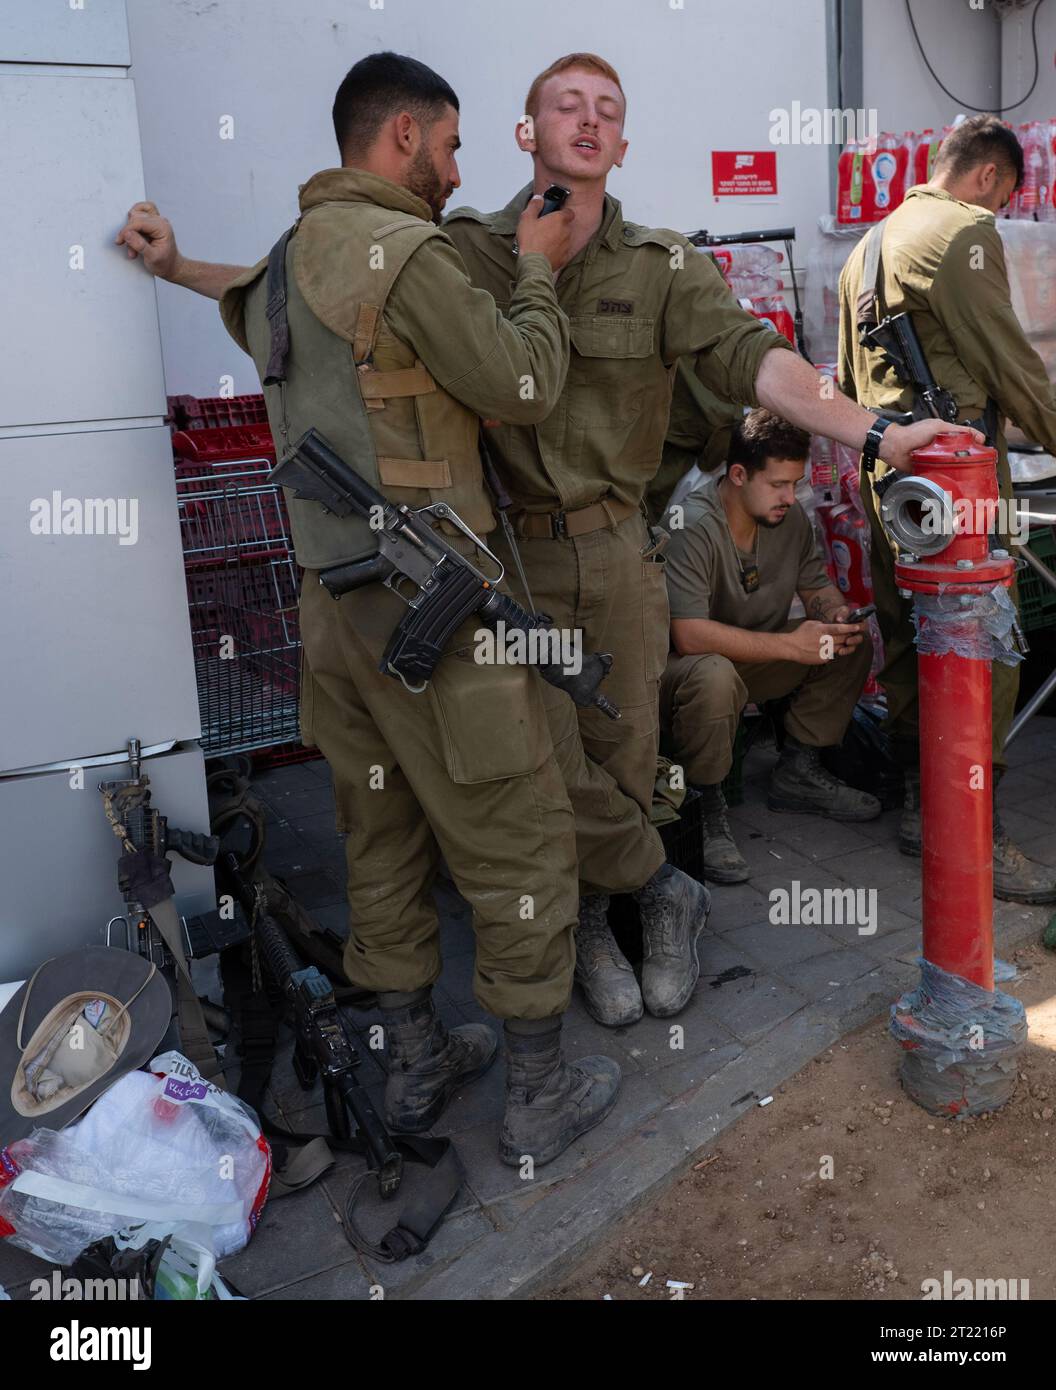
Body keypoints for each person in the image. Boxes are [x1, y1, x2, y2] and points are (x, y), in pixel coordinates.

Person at [120, 51, 967, 1030]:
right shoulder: (466, 246)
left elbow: (758, 360)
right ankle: (587, 933)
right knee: (536, 777)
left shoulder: (664, 265)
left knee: (623, 755)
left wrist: (877, 431)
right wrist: (179, 267)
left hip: (614, 555)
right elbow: (307, 292)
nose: (590, 119)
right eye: (566, 103)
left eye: (609, 107)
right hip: (496, 564)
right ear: (526, 134)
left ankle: (654, 911)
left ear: (624, 138)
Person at [120, 52, 622, 1169]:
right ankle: (537, 1098)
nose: (455, 169)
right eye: (447, 146)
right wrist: (536, 270)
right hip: (440, 620)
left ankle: (412, 1060)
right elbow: (525, 384)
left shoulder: (300, 257)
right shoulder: (411, 252)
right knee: (521, 839)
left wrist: (167, 266)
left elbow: (245, 302)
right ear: (402, 135)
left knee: (381, 839)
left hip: (335, 628)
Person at [838, 113, 1056, 904]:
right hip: (958, 478)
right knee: (983, 646)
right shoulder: (963, 231)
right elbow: (1012, 363)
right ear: (990, 179)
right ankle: (971, 827)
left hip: (890, 477)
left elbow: (847, 384)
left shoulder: (866, 248)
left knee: (907, 635)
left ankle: (915, 802)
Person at [659, 410, 878, 883]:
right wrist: (790, 645)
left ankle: (798, 770)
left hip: (752, 662)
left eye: (795, 483)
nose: (789, 496)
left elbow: (816, 586)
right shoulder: (693, 525)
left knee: (847, 645)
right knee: (713, 674)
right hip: (687, 673)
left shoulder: (788, 518)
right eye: (778, 484)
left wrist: (834, 616)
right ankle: (707, 802)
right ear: (738, 475)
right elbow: (689, 635)